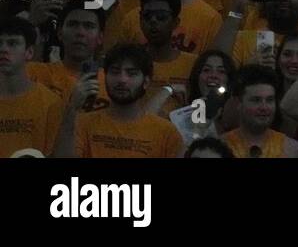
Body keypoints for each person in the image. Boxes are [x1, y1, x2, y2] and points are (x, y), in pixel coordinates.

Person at [54, 44, 183, 158]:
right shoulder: (82, 124)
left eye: (131, 73)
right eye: (115, 72)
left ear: (146, 82)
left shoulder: (167, 133)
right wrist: (72, 109)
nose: (122, 79)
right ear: (104, 77)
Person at [0, 18, 61, 157]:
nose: (3, 49)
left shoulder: (51, 103)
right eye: (0, 43)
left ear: (29, 52)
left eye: (12, 43)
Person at [222, 66, 298, 158]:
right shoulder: (219, 147)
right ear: (239, 103)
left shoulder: (293, 150)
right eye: (256, 100)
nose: (264, 107)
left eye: (269, 100)